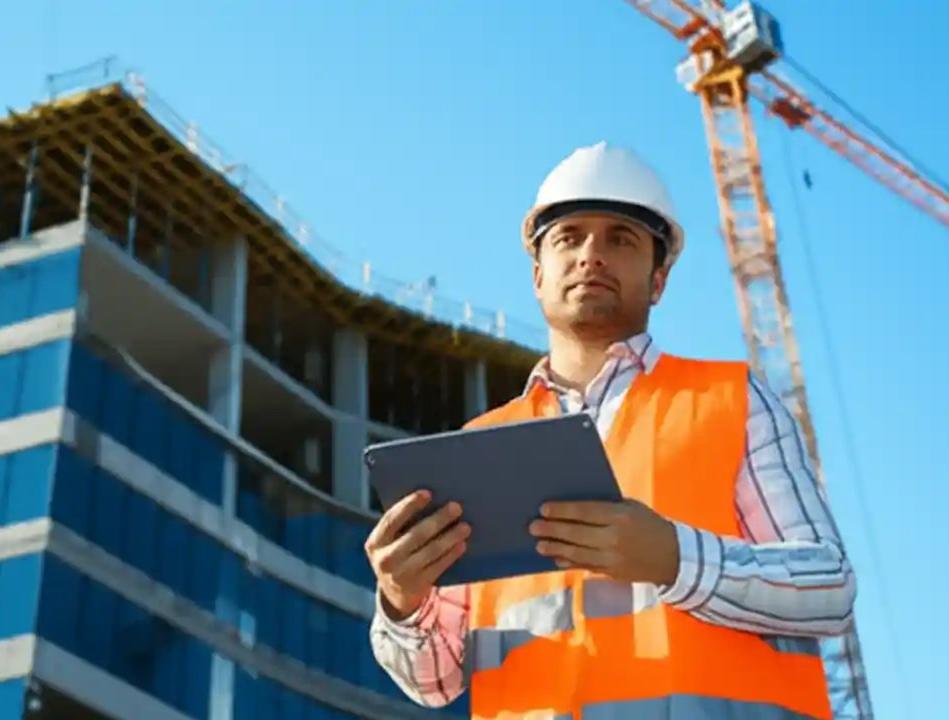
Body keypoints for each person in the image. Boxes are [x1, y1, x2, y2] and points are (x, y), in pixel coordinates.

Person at [365, 141, 859, 719]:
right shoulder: (480, 443)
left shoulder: (731, 401)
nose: (591, 255)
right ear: (537, 275)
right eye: (568, 237)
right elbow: (434, 680)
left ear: (658, 281)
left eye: (620, 239)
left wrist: (675, 558)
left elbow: (828, 587)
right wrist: (401, 600)